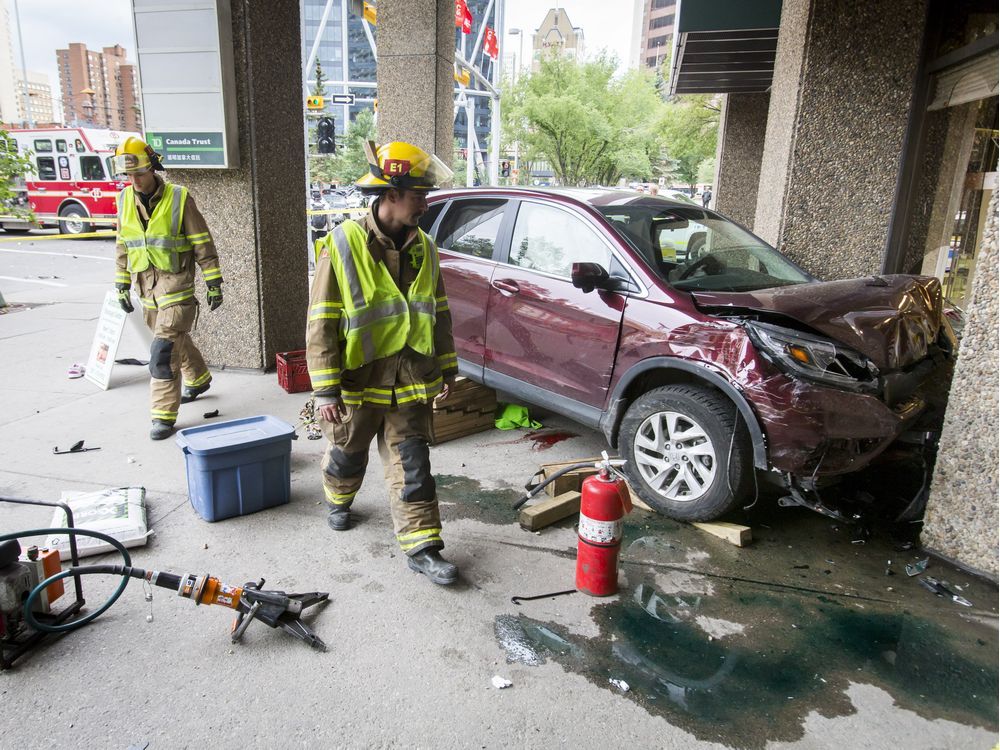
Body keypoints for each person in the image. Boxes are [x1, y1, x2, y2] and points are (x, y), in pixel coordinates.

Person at [306, 140, 460, 586]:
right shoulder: (342, 243)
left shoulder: (425, 247)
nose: (425, 205)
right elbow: (321, 319)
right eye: (419, 195)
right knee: (346, 456)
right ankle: (338, 498)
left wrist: (447, 369)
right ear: (391, 194)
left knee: (413, 466)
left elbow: (439, 312)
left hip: (409, 380)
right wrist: (325, 390)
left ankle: (423, 547)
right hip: (358, 382)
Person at [111, 136, 224, 441]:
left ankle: (163, 415)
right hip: (146, 288)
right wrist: (121, 284)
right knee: (174, 341)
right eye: (129, 175)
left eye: (139, 173)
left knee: (162, 351)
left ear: (152, 168)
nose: (134, 180)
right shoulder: (123, 200)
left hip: (177, 286)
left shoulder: (178, 198)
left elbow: (202, 242)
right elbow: (123, 245)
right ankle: (198, 378)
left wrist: (213, 281)